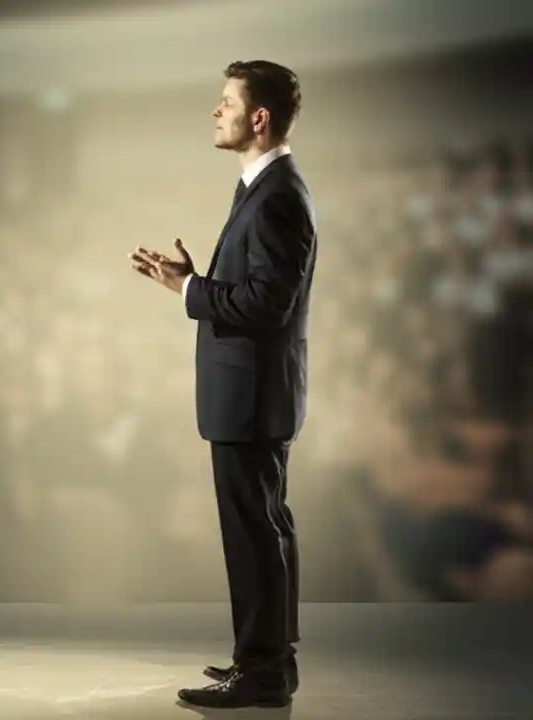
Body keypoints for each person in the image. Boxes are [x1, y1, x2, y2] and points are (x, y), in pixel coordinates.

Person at [129, 60, 314, 709]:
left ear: (257, 117)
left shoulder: (278, 195)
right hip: (255, 394)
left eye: (226, 101)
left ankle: (262, 671)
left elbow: (268, 303)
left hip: (251, 398)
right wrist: (194, 277)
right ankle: (266, 662)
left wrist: (189, 288)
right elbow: (262, 291)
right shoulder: (264, 188)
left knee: (254, 533)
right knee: (265, 529)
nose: (216, 111)